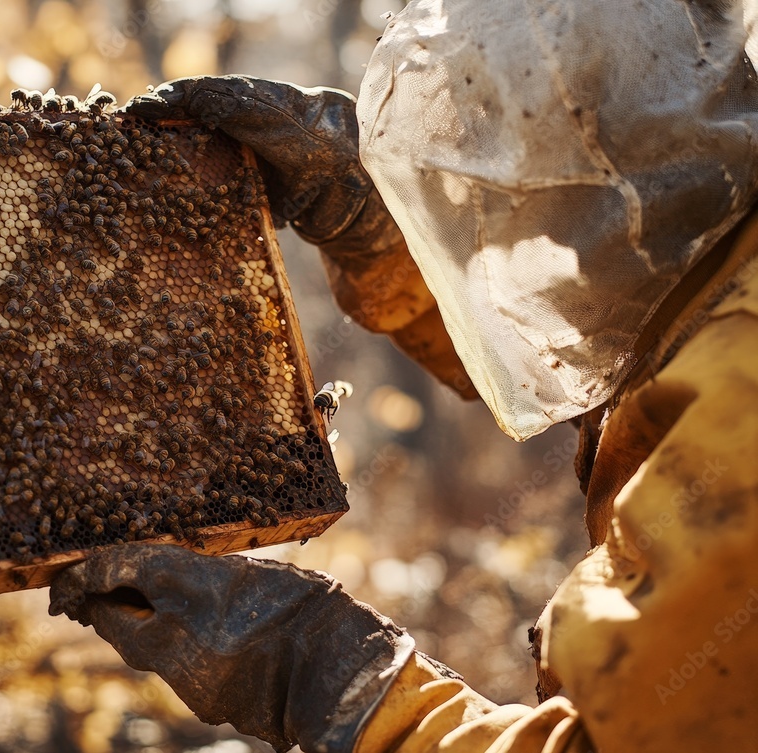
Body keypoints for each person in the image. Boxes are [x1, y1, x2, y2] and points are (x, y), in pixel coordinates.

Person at [49, 1, 758, 750]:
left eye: (532, 189)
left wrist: (318, 667)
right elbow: (605, 328)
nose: (535, 235)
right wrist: (380, 230)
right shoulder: (719, 276)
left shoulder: (740, 403)